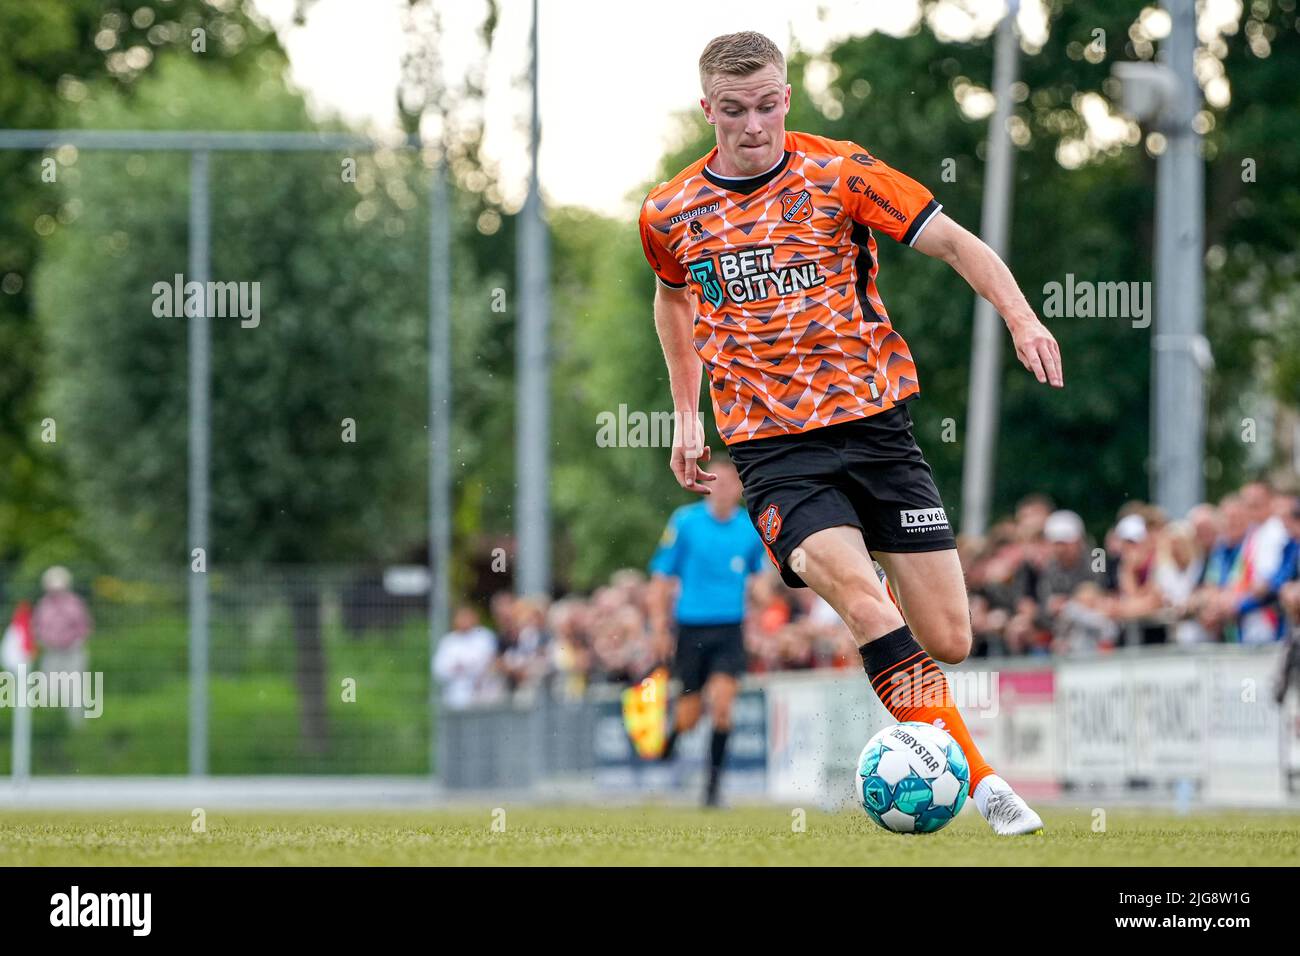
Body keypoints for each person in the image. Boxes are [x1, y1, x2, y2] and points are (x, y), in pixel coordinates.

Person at [638, 31, 1063, 833]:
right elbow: (671, 299)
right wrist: (687, 414)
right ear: (708, 110)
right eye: (733, 111)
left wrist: (1021, 316)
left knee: (951, 638)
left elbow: (956, 242)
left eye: (766, 106)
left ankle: (912, 693)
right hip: (774, 451)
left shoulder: (840, 172)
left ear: (786, 99)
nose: (753, 125)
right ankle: (984, 785)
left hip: (877, 431)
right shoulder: (670, 211)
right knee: (868, 606)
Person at [648, 457, 767, 807]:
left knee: (722, 705)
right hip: (691, 627)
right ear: (707, 485)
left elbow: (759, 579)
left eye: (732, 484)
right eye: (719, 482)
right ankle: (674, 733)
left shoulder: (749, 528)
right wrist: (659, 628)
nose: (725, 490)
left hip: (730, 627)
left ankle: (712, 788)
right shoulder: (684, 523)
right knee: (689, 714)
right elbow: (661, 578)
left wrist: (763, 605)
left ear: (740, 489)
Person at [432, 606, 501, 710]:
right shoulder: (448, 641)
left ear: (475, 618)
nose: (464, 621)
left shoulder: (484, 636)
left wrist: (468, 667)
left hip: (483, 694)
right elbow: (439, 669)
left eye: (467, 617)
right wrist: (456, 668)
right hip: (456, 696)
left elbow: (490, 661)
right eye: (461, 617)